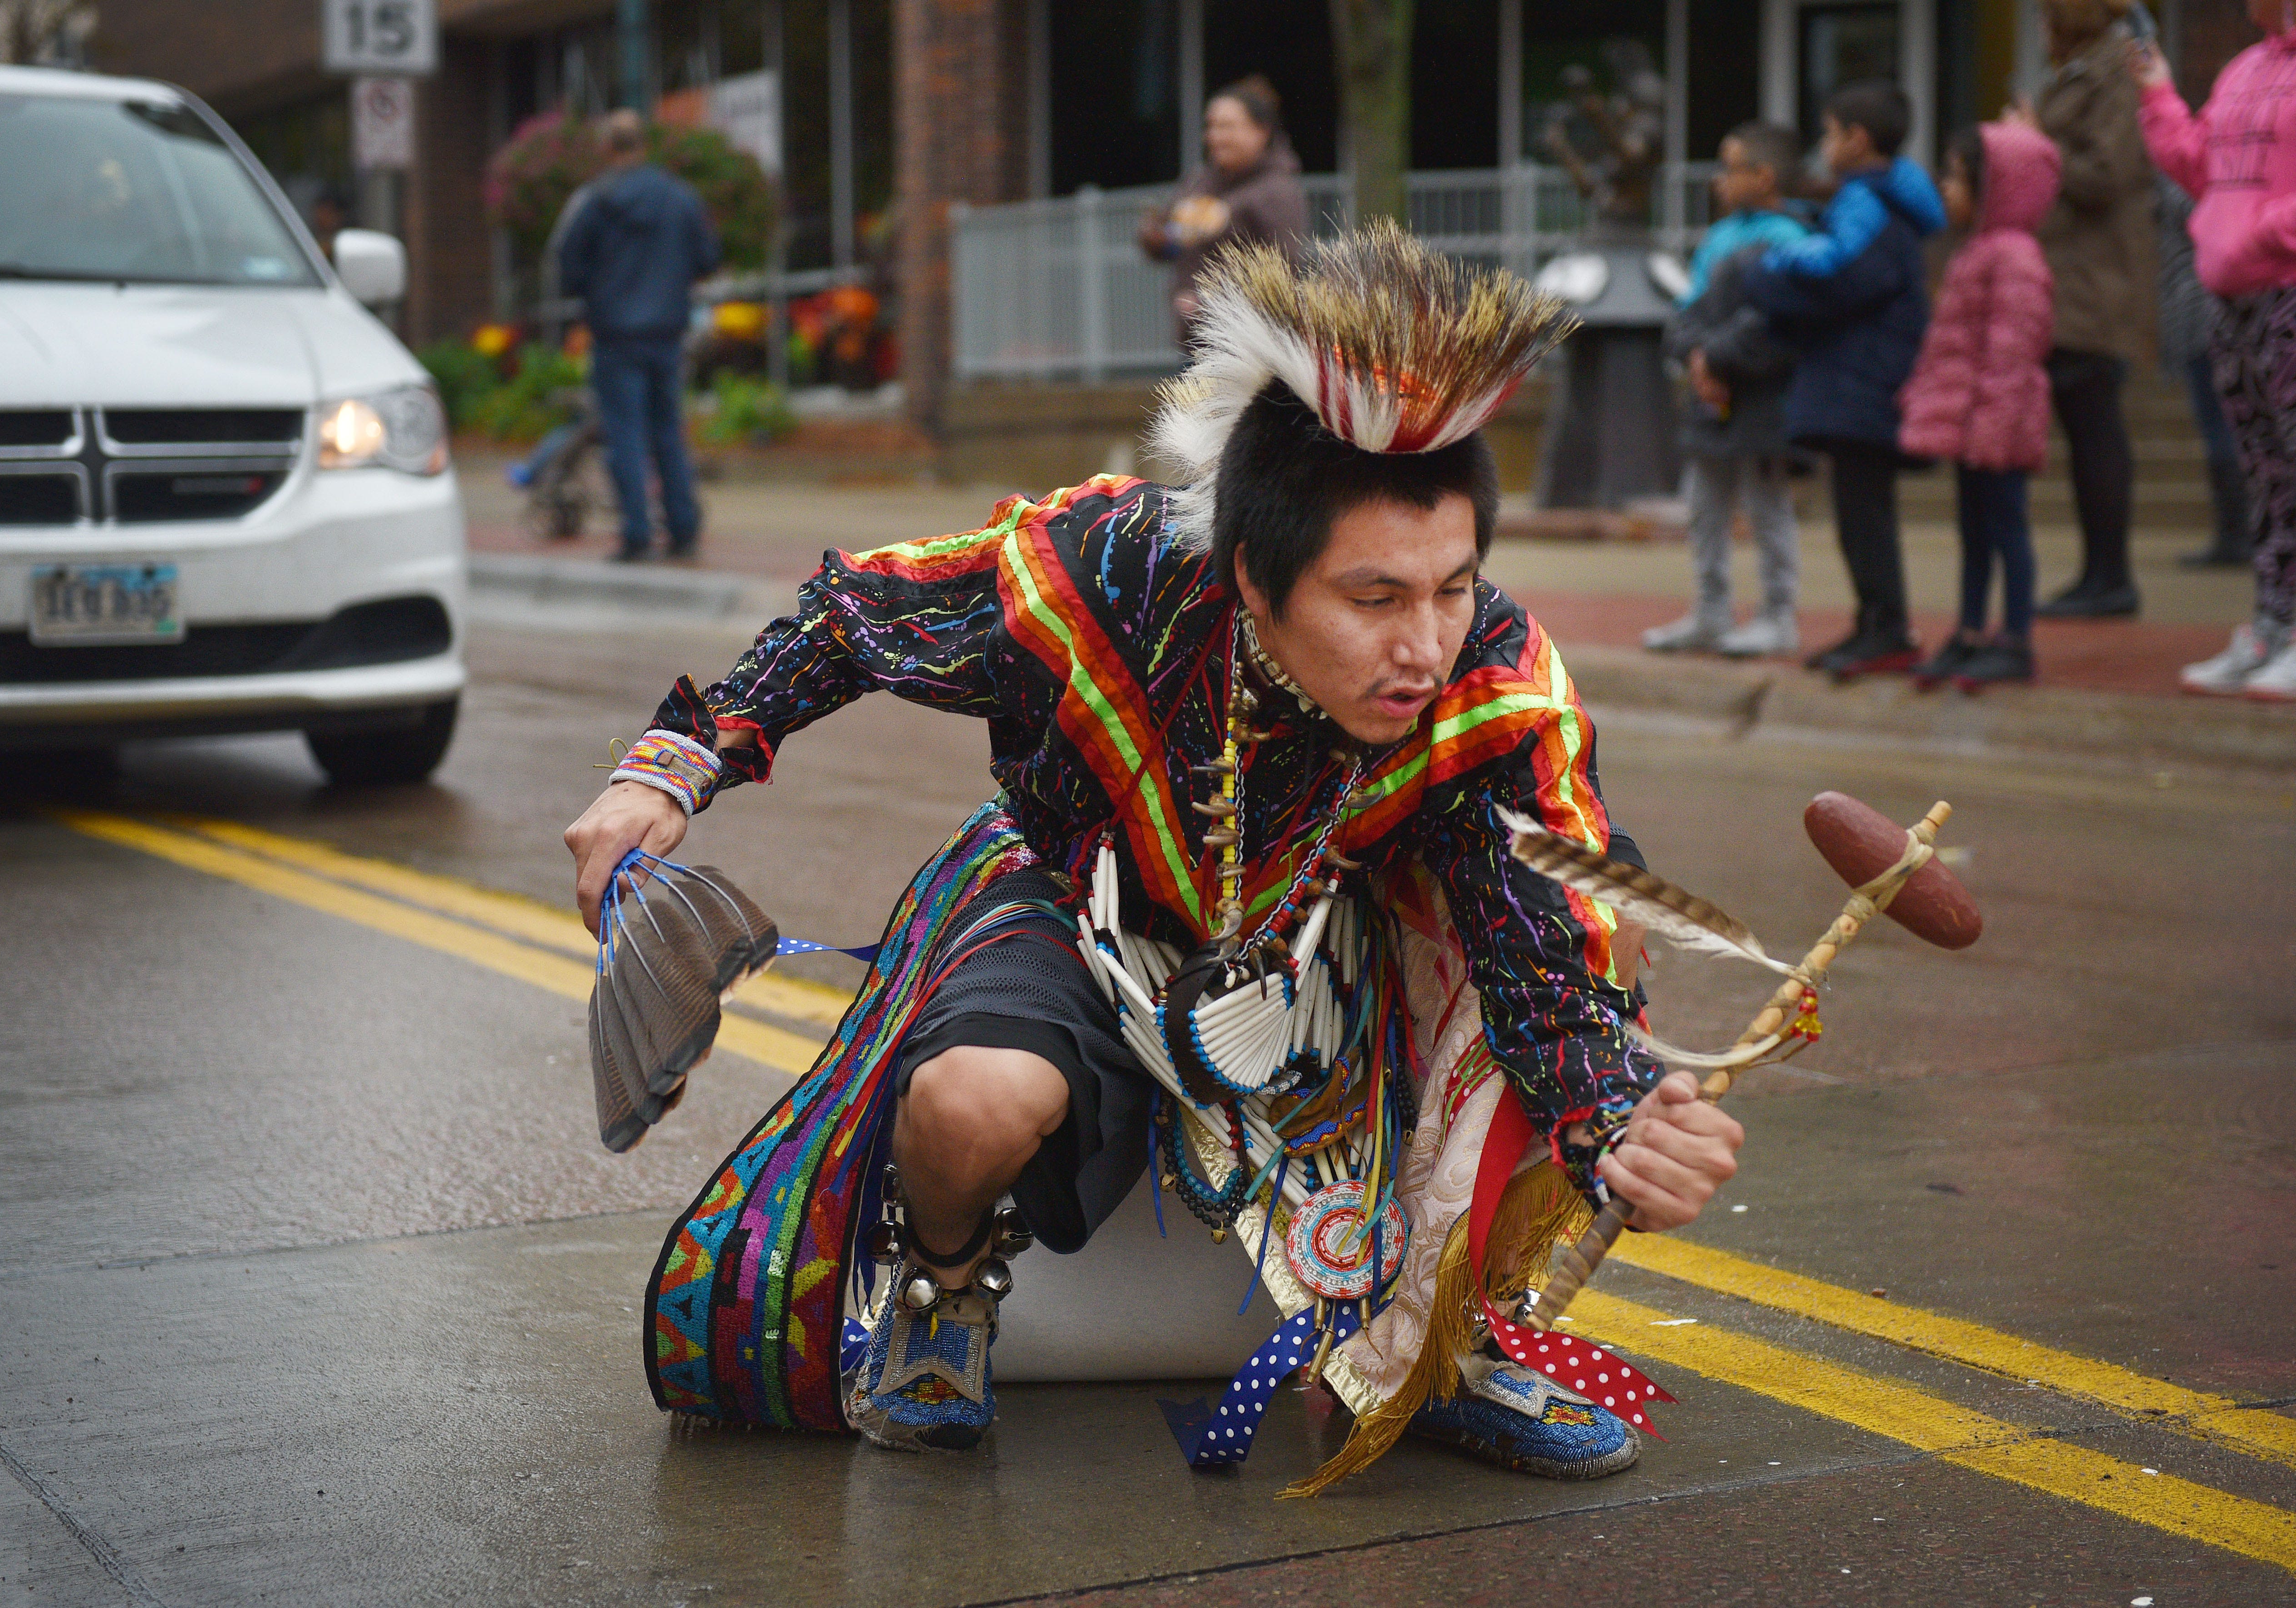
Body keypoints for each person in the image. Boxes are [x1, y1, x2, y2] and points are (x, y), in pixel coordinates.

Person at [565, 228, 1742, 1486]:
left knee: (1555, 987)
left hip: (1332, 947)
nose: (1427, 646)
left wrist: (1615, 1119)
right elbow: (851, 613)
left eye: (1453, 586)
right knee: (971, 1102)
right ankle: (942, 1283)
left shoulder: (1495, 686)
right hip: (1076, 895)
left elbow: (1545, 957)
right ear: (1251, 573)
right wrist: (674, 763)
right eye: (1375, 597)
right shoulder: (1097, 576)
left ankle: (1442, 1340)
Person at [1744, 81, 1947, 681]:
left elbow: (1840, 278)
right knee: (1860, 510)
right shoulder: (1884, 202)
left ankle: (1886, 629)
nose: (1824, 145)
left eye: (1830, 133)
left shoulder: (1867, 202)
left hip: (1865, 380)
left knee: (1864, 512)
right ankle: (1874, 621)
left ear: (1856, 140)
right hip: (1865, 377)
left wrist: (1764, 272)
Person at [2138, 2, 2296, 699]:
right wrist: (2157, 93)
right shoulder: (2242, 69)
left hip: (2286, 285)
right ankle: (2274, 625)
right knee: (2265, 471)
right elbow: (2203, 168)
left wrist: (2260, 233)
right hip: (2233, 298)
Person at [1901, 123, 2064, 691]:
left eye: (1956, 176)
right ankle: (1970, 631)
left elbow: (2011, 354)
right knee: (1974, 532)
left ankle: (2015, 640)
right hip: (1975, 426)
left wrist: (1989, 429)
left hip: (1999, 425)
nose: (1945, 187)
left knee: (2007, 530)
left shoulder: (2015, 256)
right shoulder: (1977, 250)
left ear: (1995, 186)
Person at [1647, 121, 1813, 657]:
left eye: (1730, 167)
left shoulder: (1793, 241)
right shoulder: (1717, 238)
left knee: (1768, 509)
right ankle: (1711, 612)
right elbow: (1689, 310)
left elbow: (1773, 323)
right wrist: (1696, 357)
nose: (1718, 179)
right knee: (1704, 508)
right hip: (1709, 398)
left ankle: (1777, 615)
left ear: (1762, 176)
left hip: (1764, 402)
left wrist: (1713, 358)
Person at [2026, 0, 2159, 620]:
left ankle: (2109, 579)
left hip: (2094, 279)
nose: (2040, 18)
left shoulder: (2113, 69)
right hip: (2071, 274)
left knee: (2093, 425)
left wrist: (2034, 143)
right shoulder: (2083, 68)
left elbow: (2106, 174)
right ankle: (2095, 573)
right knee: (2085, 430)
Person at [556, 109, 723, 562]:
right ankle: (683, 530)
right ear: (642, 146)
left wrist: (599, 290)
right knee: (668, 431)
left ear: (607, 149)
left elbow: (567, 267)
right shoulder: (681, 198)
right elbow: (708, 257)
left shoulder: (593, 201)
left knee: (624, 433)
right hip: (667, 333)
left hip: (614, 335)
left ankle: (636, 533)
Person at [1138, 77, 1308, 346]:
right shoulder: (1199, 181)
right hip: (1196, 342)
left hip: (1254, 349)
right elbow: (1169, 240)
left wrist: (1208, 303)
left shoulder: (1279, 190)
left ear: (1261, 132)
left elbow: (1284, 269)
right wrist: (1156, 237)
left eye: (1227, 127)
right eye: (1211, 126)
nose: (1215, 137)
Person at [2157, 177, 2255, 569]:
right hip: (2214, 305)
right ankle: (2238, 531)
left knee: (2219, 427)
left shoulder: (2192, 179)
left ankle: (2236, 533)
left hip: (2201, 309)